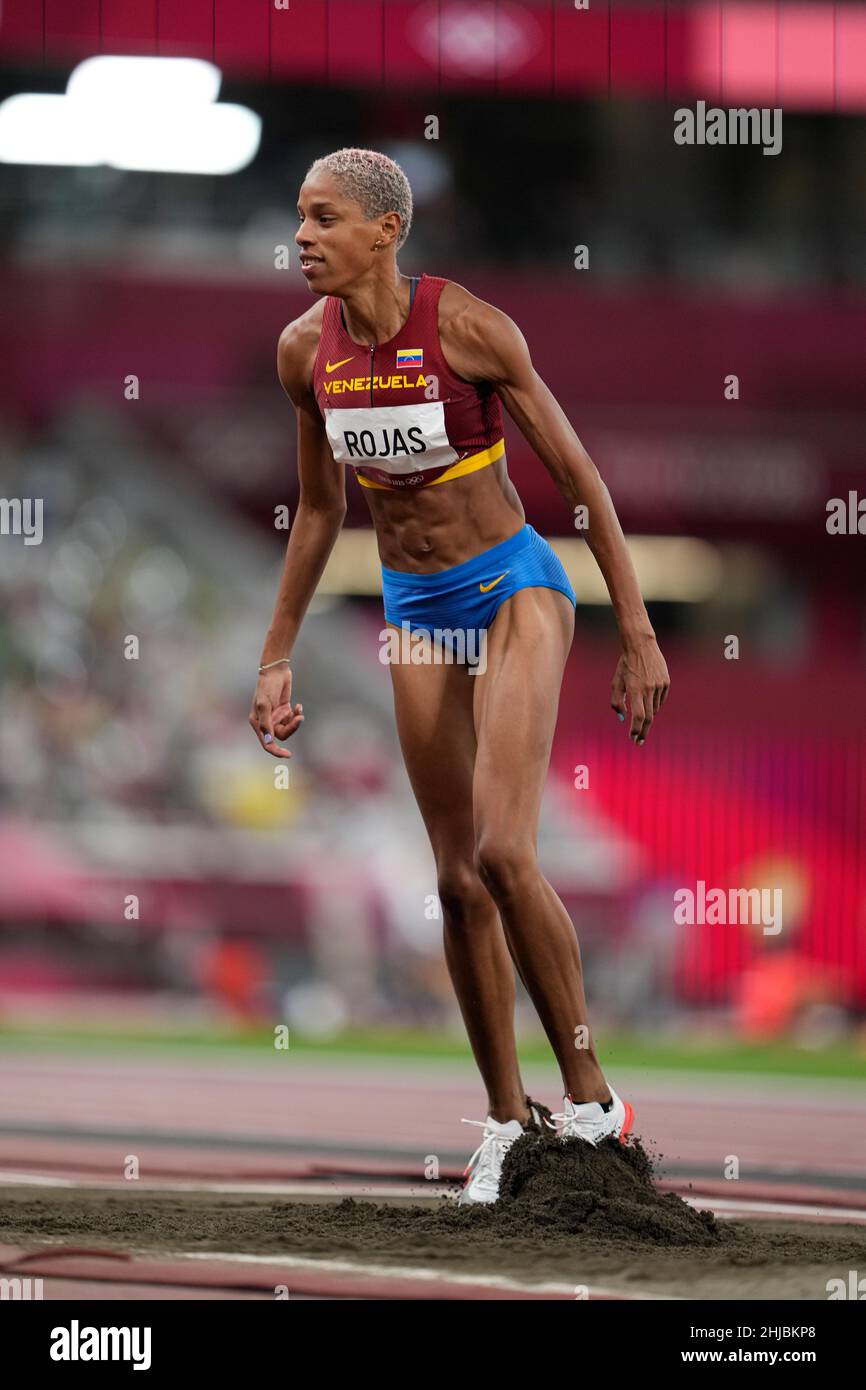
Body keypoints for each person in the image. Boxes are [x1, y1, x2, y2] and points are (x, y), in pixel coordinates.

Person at [250, 148, 670, 1204]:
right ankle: (502, 1123)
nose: (300, 236)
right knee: (450, 881)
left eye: (323, 217)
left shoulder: (470, 329)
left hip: (514, 588)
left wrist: (636, 627)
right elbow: (317, 512)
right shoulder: (305, 353)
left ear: (386, 229)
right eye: (298, 218)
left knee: (502, 851)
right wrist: (275, 652)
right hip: (415, 614)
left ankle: (590, 1100)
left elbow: (579, 480)